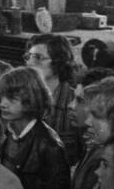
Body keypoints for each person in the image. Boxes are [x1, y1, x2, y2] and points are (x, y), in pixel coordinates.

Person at [25, 34, 83, 165]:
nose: (29, 63)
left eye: (38, 58)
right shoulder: (20, 99)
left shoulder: (75, 103)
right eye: (28, 57)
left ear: (59, 62)